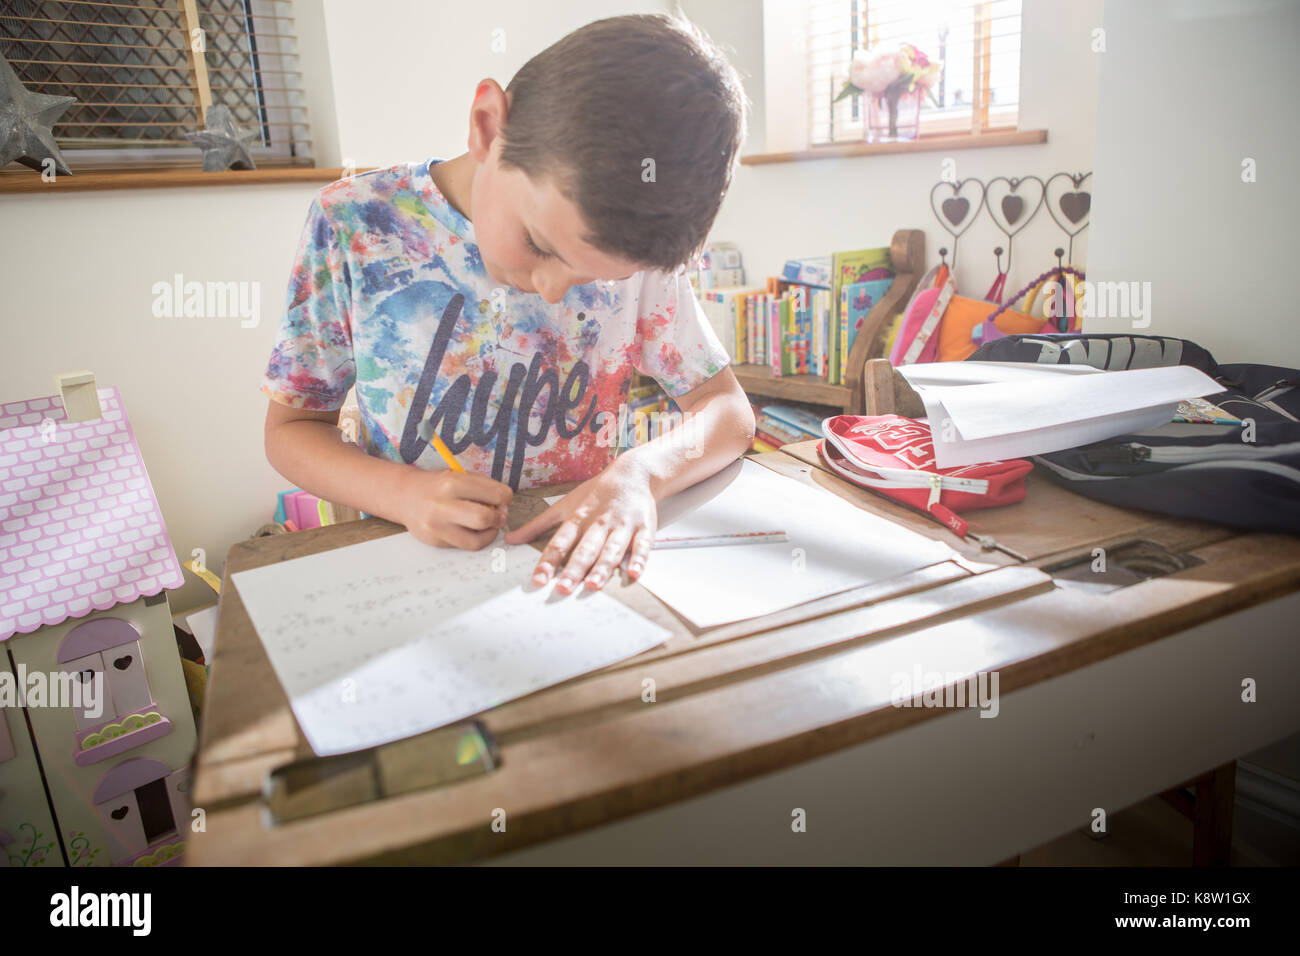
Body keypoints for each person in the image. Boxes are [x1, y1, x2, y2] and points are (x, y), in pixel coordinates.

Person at [262, 14, 755, 595]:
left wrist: (642, 474)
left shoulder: (635, 249)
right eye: (539, 246)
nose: (551, 289)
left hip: (567, 570)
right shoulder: (355, 225)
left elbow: (727, 411)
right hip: (414, 571)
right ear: (488, 126)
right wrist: (402, 493)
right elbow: (291, 430)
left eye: (593, 278)